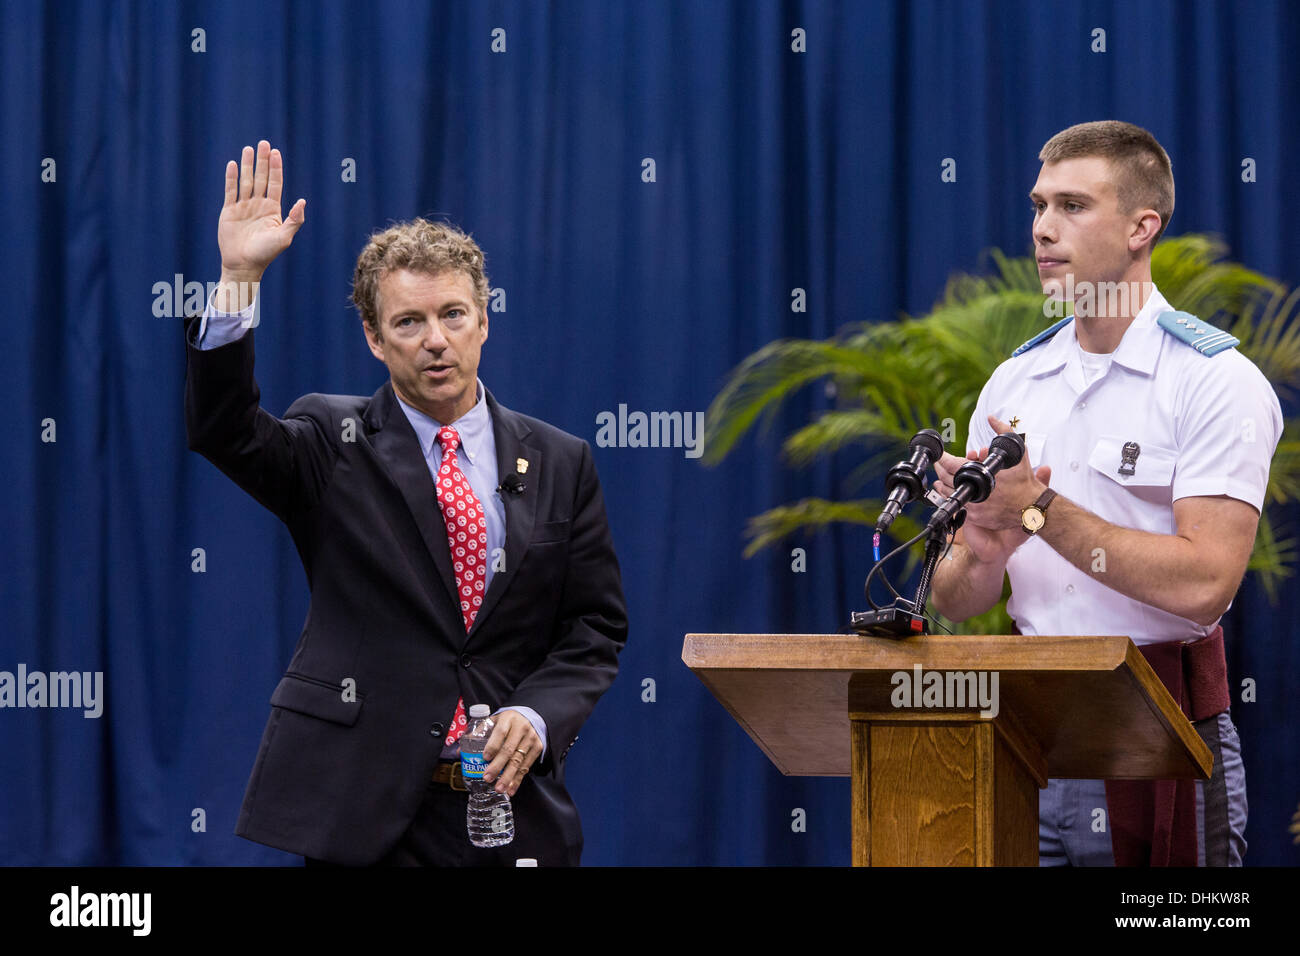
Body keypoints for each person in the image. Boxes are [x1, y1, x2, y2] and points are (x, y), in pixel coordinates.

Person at [184, 140, 628, 866]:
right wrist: (238, 278)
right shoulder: (333, 438)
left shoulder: (560, 460)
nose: (436, 342)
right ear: (373, 337)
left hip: (507, 814)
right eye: (408, 323)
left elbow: (594, 627)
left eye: (454, 315)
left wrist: (534, 716)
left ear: (485, 319)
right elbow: (222, 430)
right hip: (362, 820)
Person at [929, 120, 1280, 866]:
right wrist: (985, 548)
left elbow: (1205, 584)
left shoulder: (1213, 381)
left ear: (1141, 227)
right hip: (1028, 727)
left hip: (1158, 729)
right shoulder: (1012, 382)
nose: (1044, 230)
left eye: (1073, 206)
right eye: (1038, 206)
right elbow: (956, 600)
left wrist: (1035, 510)